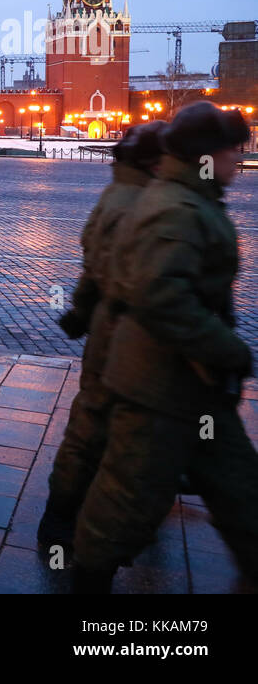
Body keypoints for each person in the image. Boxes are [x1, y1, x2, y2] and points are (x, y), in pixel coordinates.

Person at [72, 103, 257, 592]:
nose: (236, 160)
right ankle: (86, 581)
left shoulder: (187, 198)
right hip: (159, 384)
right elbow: (159, 295)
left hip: (191, 383)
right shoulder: (176, 208)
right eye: (228, 151)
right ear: (203, 156)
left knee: (240, 488)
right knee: (126, 499)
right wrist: (228, 350)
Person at [37, 122, 165, 554]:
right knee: (92, 427)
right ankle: (63, 517)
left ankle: (74, 512)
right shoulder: (140, 203)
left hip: (114, 331)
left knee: (99, 424)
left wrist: (80, 310)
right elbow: (111, 269)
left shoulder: (121, 194)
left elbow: (93, 264)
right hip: (123, 336)